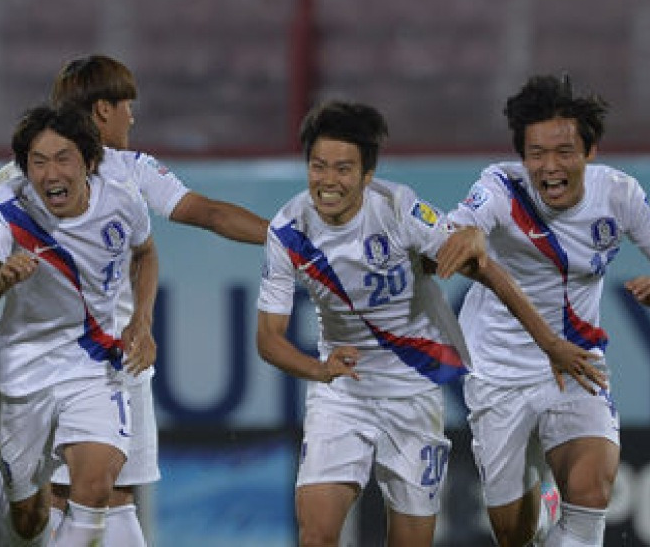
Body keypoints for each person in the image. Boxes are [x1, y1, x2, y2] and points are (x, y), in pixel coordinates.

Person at [255, 100, 604, 547]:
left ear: (367, 175)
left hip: (414, 394)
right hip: (342, 395)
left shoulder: (399, 210)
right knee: (316, 536)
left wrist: (550, 343)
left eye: (343, 169)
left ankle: (542, 509)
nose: (328, 181)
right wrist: (320, 370)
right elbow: (268, 339)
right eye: (318, 166)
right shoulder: (288, 230)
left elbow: (485, 269)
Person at [0, 53, 270, 544]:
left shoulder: (129, 171)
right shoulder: (20, 180)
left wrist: (143, 319)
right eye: (126, 106)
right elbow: (210, 214)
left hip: (115, 361)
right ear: (102, 110)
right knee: (59, 498)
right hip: (45, 364)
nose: (131, 118)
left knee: (111, 492)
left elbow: (154, 248)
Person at [444, 74, 650, 547]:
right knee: (514, 535)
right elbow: (462, 233)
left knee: (590, 493)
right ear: (522, 156)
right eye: (536, 154)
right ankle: (542, 511)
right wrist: (470, 234)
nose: (550, 167)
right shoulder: (500, 187)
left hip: (575, 365)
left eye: (564, 152)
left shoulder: (620, 195)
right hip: (497, 372)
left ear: (590, 152)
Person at [0, 104, 159, 546]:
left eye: (63, 159)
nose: (51, 174)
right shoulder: (6, 208)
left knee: (96, 486)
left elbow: (145, 253)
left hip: (94, 365)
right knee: (29, 519)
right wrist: (0, 280)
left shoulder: (122, 201)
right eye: (38, 162)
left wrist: (141, 320)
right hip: (22, 373)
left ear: (89, 161)